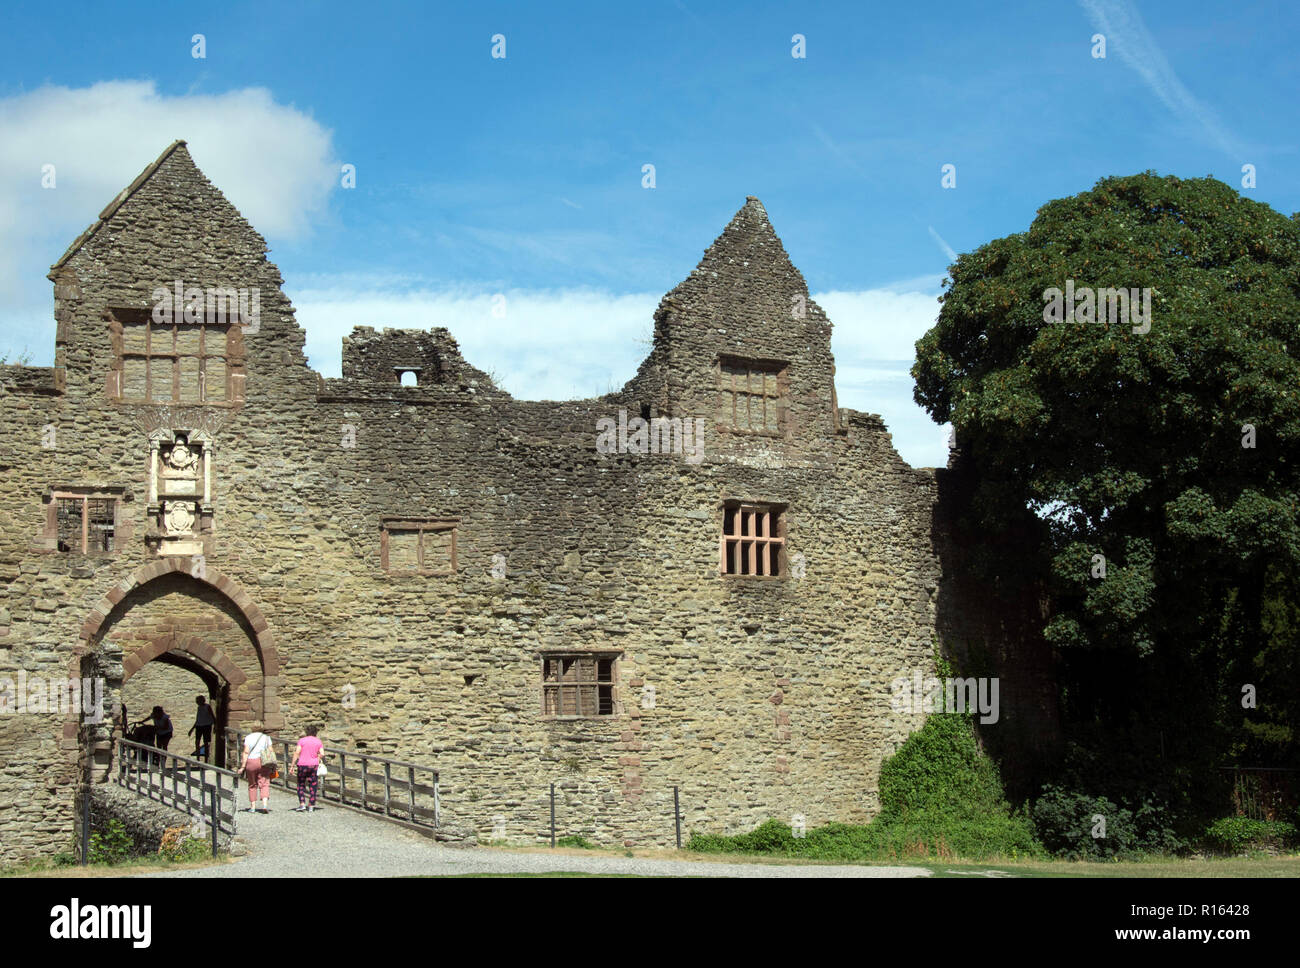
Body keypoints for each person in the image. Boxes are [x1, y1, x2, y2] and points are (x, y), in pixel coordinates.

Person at [239, 722, 274, 813]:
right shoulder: (267, 738)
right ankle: (265, 805)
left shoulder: (248, 738)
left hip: (251, 761)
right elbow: (270, 751)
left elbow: (246, 752)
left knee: (252, 784)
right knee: (265, 783)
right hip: (263, 762)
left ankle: (253, 807)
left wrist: (243, 766)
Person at [290, 726, 325, 812]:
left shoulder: (302, 741)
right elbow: (322, 754)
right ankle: (311, 805)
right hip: (313, 765)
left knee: (301, 784)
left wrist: (292, 765)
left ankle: (302, 804)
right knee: (313, 784)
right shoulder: (318, 741)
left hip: (302, 764)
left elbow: (297, 752)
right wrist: (317, 759)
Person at [188, 695, 216, 760]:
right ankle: (198, 759)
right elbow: (198, 719)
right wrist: (192, 729)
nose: (197, 702)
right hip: (199, 726)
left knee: (206, 743)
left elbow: (212, 716)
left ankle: (206, 759)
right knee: (197, 742)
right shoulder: (199, 708)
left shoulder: (207, 707)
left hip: (206, 726)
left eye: (197, 701)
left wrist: (215, 725)